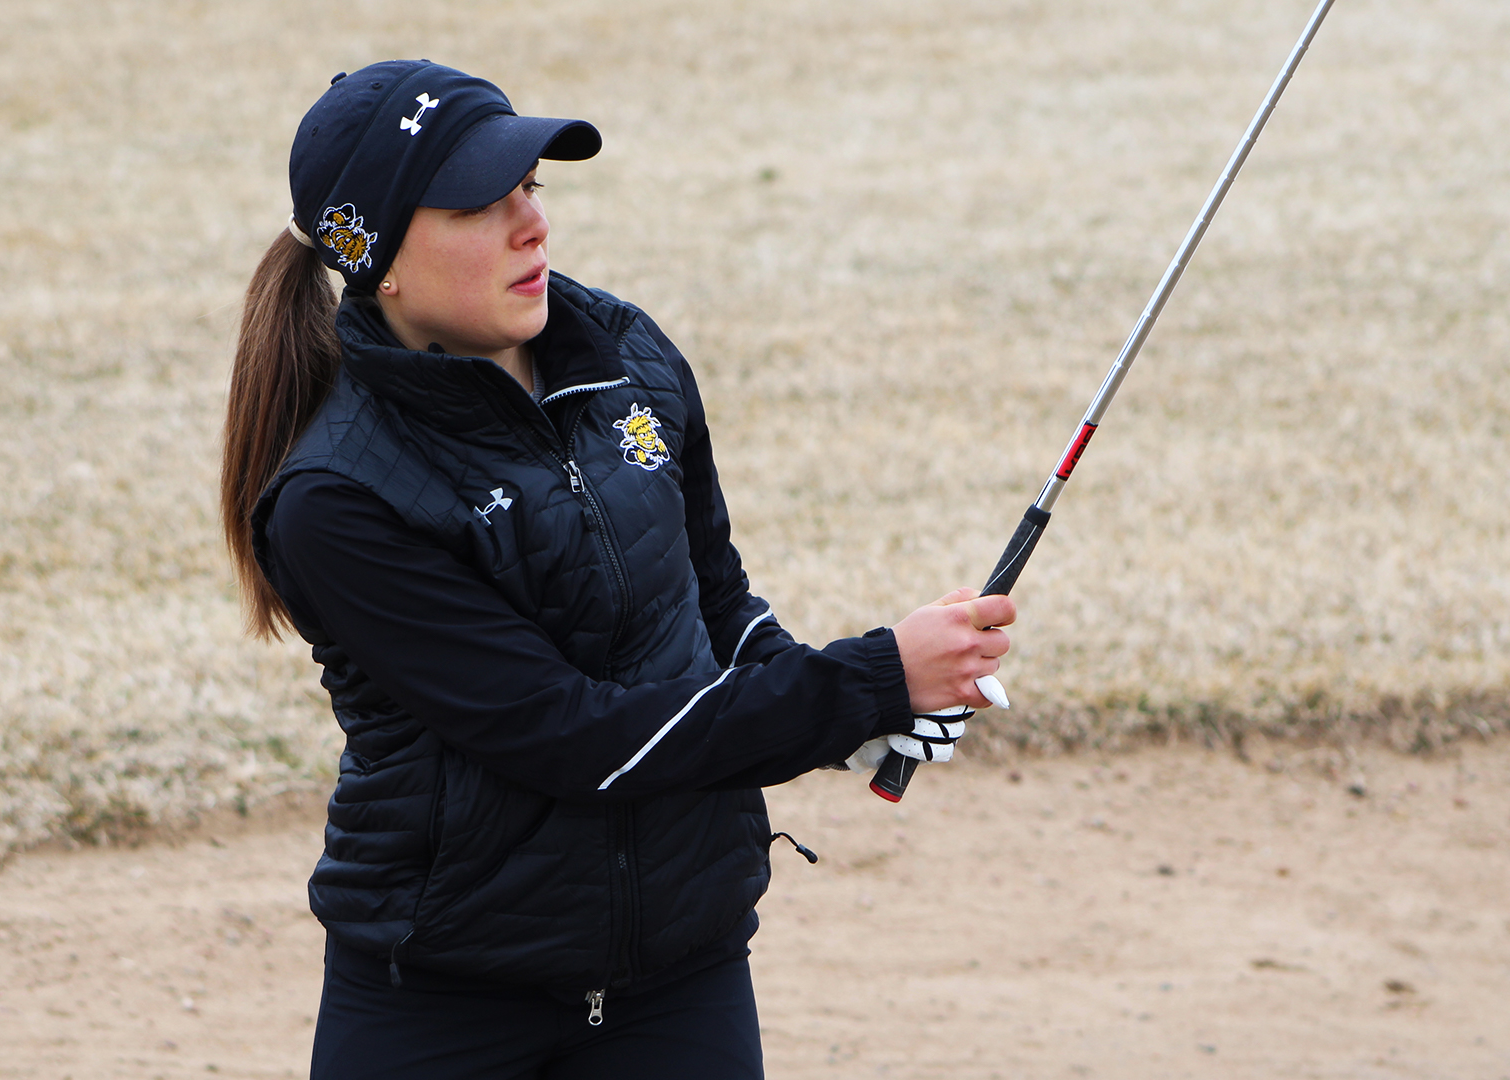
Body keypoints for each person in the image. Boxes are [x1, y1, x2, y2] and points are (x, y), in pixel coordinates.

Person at [218, 60, 1015, 1080]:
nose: (531, 225)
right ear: (378, 259)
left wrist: (857, 706)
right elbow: (572, 738)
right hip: (445, 1000)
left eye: (532, 188)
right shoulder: (337, 497)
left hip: (681, 975)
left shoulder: (629, 359)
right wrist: (865, 682)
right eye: (479, 205)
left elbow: (714, 604)